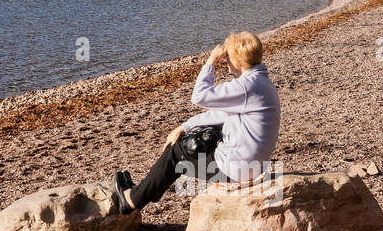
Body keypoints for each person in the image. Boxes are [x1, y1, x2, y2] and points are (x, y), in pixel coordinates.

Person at [112, 31, 280, 213]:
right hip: (251, 165)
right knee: (186, 146)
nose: (225, 61)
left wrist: (211, 61)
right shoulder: (261, 82)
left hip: (237, 169)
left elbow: (199, 96)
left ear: (238, 60)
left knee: (178, 152)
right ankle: (141, 192)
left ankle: (132, 200)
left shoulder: (245, 86)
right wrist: (184, 127)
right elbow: (222, 114)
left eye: (227, 56)